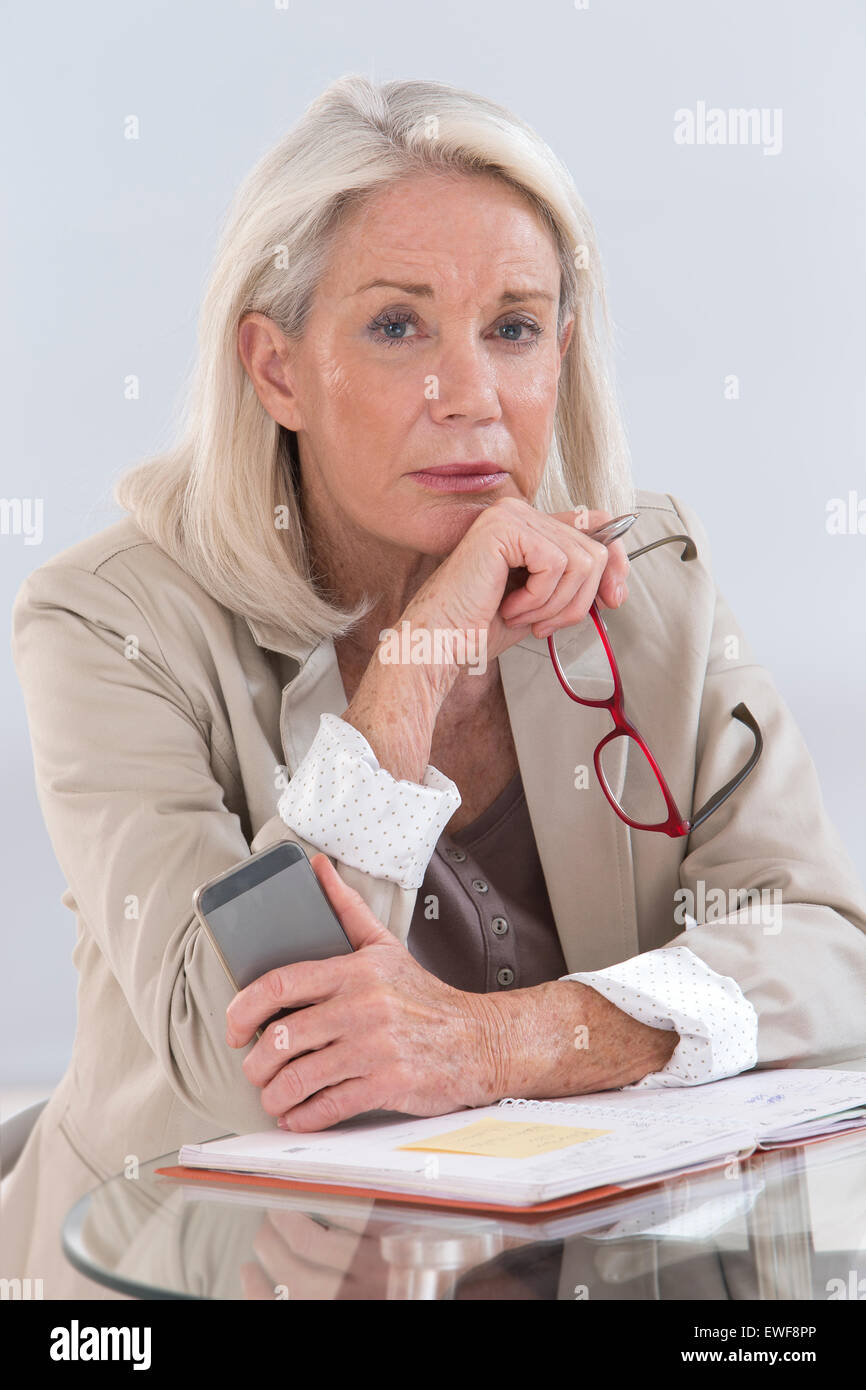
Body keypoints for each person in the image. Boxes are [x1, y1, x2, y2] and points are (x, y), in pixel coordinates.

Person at [5, 75, 866, 1300]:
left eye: (512, 327)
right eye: (398, 327)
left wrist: (499, 1042)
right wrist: (417, 660)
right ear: (276, 366)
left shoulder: (644, 579)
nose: (467, 394)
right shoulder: (109, 624)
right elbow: (247, 1066)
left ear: (558, 354)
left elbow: (827, 953)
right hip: (200, 1282)